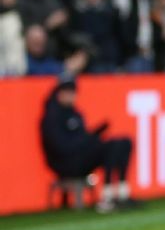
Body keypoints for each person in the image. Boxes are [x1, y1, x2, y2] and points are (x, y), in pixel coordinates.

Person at [39, 77, 137, 213]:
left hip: (80, 156)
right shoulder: (51, 117)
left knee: (124, 142)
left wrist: (93, 136)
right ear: (58, 93)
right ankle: (106, 197)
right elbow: (61, 146)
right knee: (109, 148)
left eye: (73, 92)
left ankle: (121, 192)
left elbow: (82, 139)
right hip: (65, 162)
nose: (70, 96)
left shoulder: (76, 114)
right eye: (66, 92)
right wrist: (88, 140)